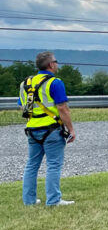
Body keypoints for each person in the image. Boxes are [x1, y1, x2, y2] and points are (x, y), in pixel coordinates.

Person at [19, 51, 76, 206]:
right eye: (56, 61)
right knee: (53, 165)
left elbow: (23, 107)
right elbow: (62, 108)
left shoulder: (26, 83)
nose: (57, 64)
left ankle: (29, 200)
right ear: (51, 64)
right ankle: (53, 200)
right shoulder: (55, 83)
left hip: (32, 129)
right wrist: (71, 129)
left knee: (32, 165)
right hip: (52, 130)